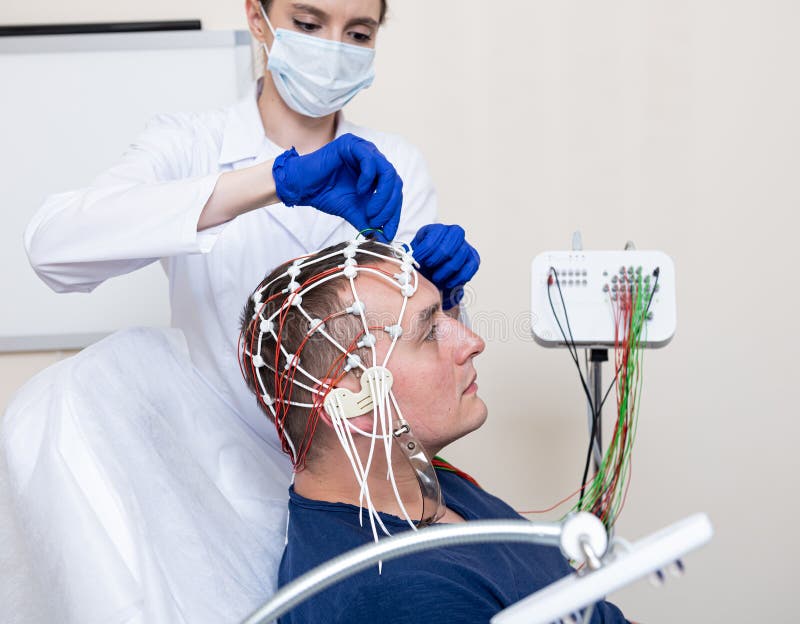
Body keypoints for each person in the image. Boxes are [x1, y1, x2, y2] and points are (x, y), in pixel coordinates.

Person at [23, 0, 438, 459]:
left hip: (355, 468)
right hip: (214, 471)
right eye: (307, 24)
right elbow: (53, 248)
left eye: (358, 34)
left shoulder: (396, 163)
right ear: (257, 19)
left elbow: (419, 359)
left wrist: (445, 300)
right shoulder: (190, 144)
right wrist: (271, 182)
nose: (334, 50)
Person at [238, 236, 629, 623]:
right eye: (429, 333)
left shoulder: (420, 481)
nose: (474, 343)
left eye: (448, 316)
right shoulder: (400, 597)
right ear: (353, 403)